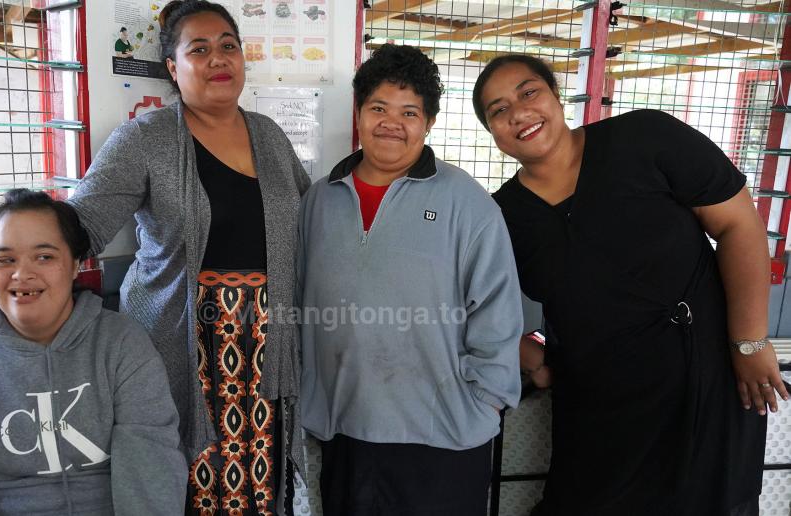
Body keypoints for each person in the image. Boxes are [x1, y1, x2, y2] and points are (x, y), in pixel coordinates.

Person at [0, 1, 310, 514]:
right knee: (182, 475)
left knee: (259, 479)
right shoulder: (145, 139)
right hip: (182, 343)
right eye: (199, 49)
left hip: (265, 345)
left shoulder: (270, 137)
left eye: (228, 46)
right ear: (173, 68)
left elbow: (309, 224)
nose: (218, 58)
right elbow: (71, 229)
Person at [473, 53, 789, 515]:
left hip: (701, 384)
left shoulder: (645, 138)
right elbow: (466, 299)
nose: (519, 113)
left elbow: (739, 225)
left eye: (528, 92)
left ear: (556, 96)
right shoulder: (503, 216)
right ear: (493, 133)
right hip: (600, 409)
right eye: (498, 110)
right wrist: (533, 356)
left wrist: (749, 341)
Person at [298, 44, 523, 515]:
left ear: (428, 123)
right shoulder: (318, 201)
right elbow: (299, 301)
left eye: (409, 112)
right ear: (358, 112)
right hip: (346, 430)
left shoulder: (468, 203)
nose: (391, 123)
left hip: (443, 434)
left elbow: (499, 311)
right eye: (378, 107)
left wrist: (487, 401)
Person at [0, 189, 186, 515]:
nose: (22, 273)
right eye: (5, 260)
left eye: (44, 256)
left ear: (75, 265)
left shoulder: (122, 346)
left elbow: (152, 465)